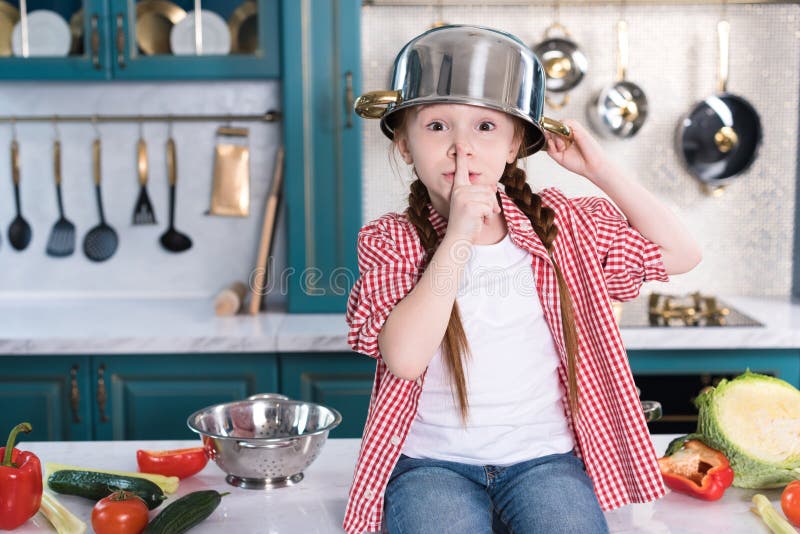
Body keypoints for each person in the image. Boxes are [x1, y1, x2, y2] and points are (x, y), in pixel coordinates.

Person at [343, 25, 702, 534]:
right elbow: (403, 359)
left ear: (515, 143)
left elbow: (682, 252)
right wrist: (458, 237)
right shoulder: (391, 239)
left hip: (544, 461)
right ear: (404, 144)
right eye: (437, 126)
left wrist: (600, 169)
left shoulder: (563, 224)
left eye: (486, 127)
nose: (461, 148)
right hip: (431, 466)